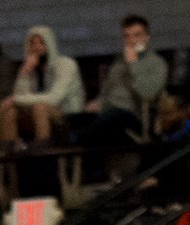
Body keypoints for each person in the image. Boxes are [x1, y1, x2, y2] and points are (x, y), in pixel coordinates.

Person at [72, 14, 168, 147]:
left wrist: (133, 64)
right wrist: (98, 102)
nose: (131, 41)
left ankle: (73, 140)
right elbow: (107, 91)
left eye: (137, 35)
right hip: (107, 113)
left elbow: (148, 94)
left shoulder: (156, 63)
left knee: (113, 116)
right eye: (127, 36)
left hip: (134, 116)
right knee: (71, 119)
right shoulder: (118, 62)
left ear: (147, 38)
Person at [0, 25, 83, 144]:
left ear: (50, 44)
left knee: (40, 107)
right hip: (35, 110)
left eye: (41, 43)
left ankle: (43, 152)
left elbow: (55, 98)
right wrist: (24, 72)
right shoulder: (29, 67)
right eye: (32, 44)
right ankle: (10, 152)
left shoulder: (66, 64)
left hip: (66, 112)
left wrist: (16, 99)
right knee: (8, 111)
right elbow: (19, 96)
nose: (37, 48)